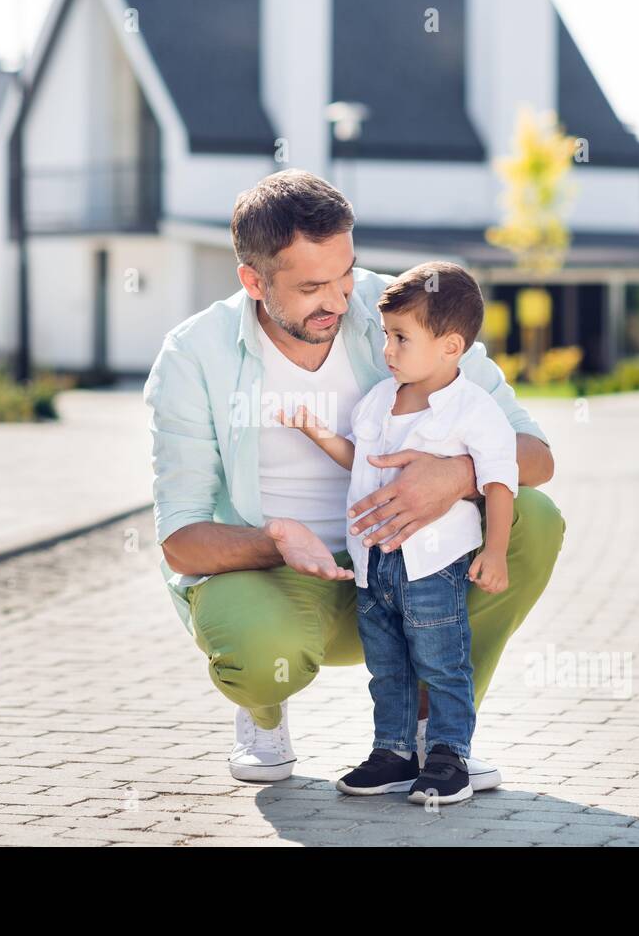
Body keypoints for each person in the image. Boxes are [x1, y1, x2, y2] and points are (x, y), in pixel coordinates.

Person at [142, 169, 565, 786]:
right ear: (254, 281)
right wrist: (276, 541)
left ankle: (434, 732)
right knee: (262, 658)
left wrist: (456, 476)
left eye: (345, 274)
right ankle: (263, 715)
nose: (341, 301)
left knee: (535, 518)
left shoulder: (400, 307)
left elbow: (536, 455)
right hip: (276, 579)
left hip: (410, 567)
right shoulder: (192, 356)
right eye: (313, 286)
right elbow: (181, 538)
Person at [277, 261, 518, 804]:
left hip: (432, 565)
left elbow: (502, 479)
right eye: (386, 335)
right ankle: (393, 752)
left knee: (441, 661)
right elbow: (358, 456)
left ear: (451, 346)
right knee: (386, 666)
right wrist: (315, 432)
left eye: (401, 338)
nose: (387, 349)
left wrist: (496, 551)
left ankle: (449, 756)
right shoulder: (381, 399)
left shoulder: (473, 409)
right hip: (374, 565)